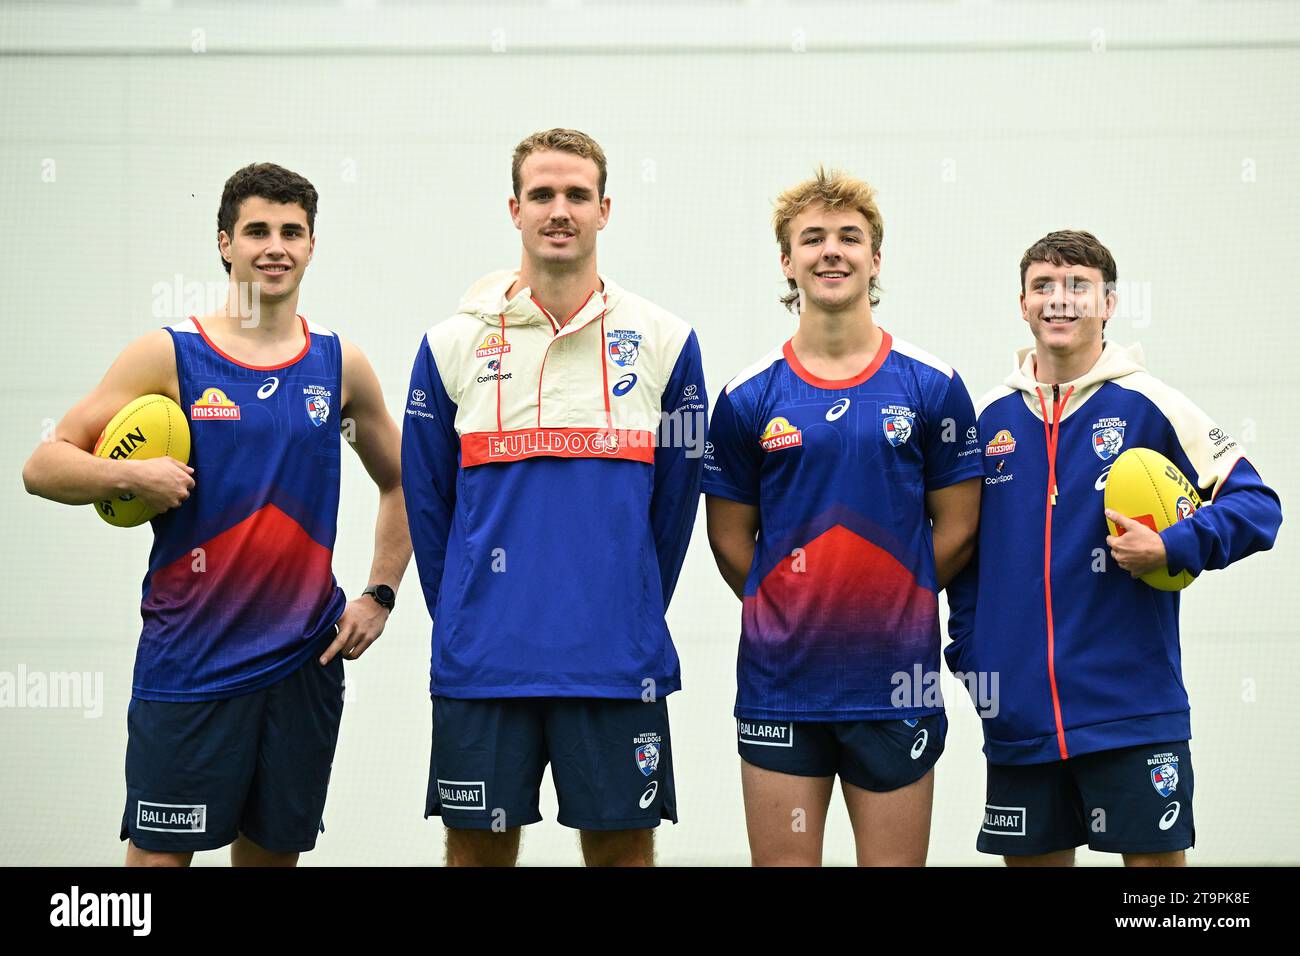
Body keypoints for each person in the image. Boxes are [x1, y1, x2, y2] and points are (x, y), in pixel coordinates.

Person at [22, 162, 410, 866]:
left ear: (313, 246)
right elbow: (42, 466)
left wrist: (380, 594)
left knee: (268, 862)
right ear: (225, 241)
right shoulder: (170, 355)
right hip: (191, 661)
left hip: (303, 661)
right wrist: (128, 473)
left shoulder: (338, 364)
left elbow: (403, 484)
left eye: (292, 232)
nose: (276, 246)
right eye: (257, 230)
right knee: (159, 863)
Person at [401, 129, 706, 867]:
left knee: (622, 851)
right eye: (542, 194)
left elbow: (675, 508)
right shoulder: (451, 344)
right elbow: (428, 502)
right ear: (514, 209)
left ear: (606, 209)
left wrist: (624, 604)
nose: (559, 210)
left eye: (576, 195)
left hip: (614, 661)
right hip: (484, 662)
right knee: (475, 851)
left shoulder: (665, 339)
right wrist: (471, 616)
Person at [946, 229, 1282, 866]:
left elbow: (1257, 506)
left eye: (1079, 286)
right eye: (1044, 285)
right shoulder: (983, 419)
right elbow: (962, 555)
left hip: (1133, 711)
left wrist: (1174, 545)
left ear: (1109, 303)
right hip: (1022, 720)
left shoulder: (1153, 404)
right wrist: (972, 652)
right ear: (1022, 303)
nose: (1060, 300)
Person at [702, 168, 982, 866]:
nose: (832, 251)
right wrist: (795, 602)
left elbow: (959, 529)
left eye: (850, 237)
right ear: (787, 261)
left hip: (896, 683)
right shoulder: (747, 396)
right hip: (781, 685)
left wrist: (895, 592)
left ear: (875, 259)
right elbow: (730, 539)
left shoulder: (931, 384)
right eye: (813, 238)